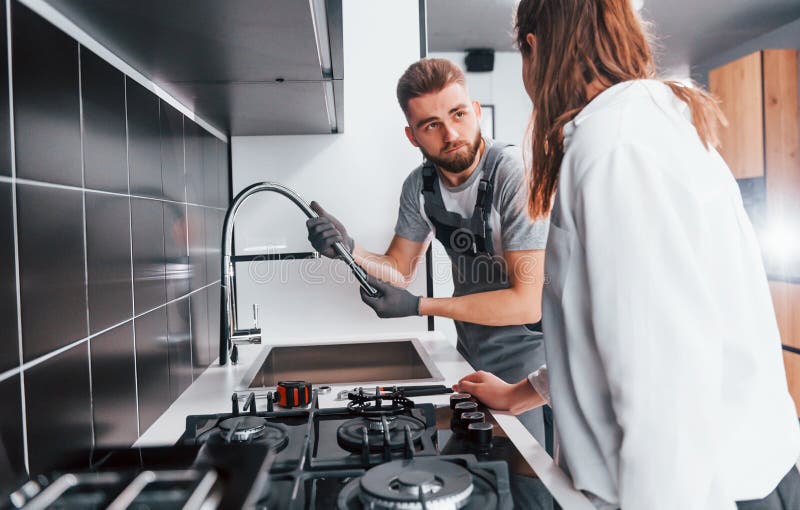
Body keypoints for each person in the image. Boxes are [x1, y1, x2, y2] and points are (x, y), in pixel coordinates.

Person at [455, 0, 800, 508]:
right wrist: (520, 393)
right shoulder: (647, 128)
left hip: (701, 493)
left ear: (534, 47)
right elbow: (624, 333)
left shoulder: (614, 150)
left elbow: (665, 388)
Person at [305, 58, 550, 442]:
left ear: (476, 112)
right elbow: (399, 270)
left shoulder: (511, 174)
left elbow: (527, 303)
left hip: (533, 365)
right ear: (412, 136)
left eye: (458, 114)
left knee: (529, 482)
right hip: (473, 352)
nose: (451, 133)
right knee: (487, 474)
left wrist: (420, 305)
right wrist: (349, 249)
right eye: (432, 125)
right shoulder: (419, 188)